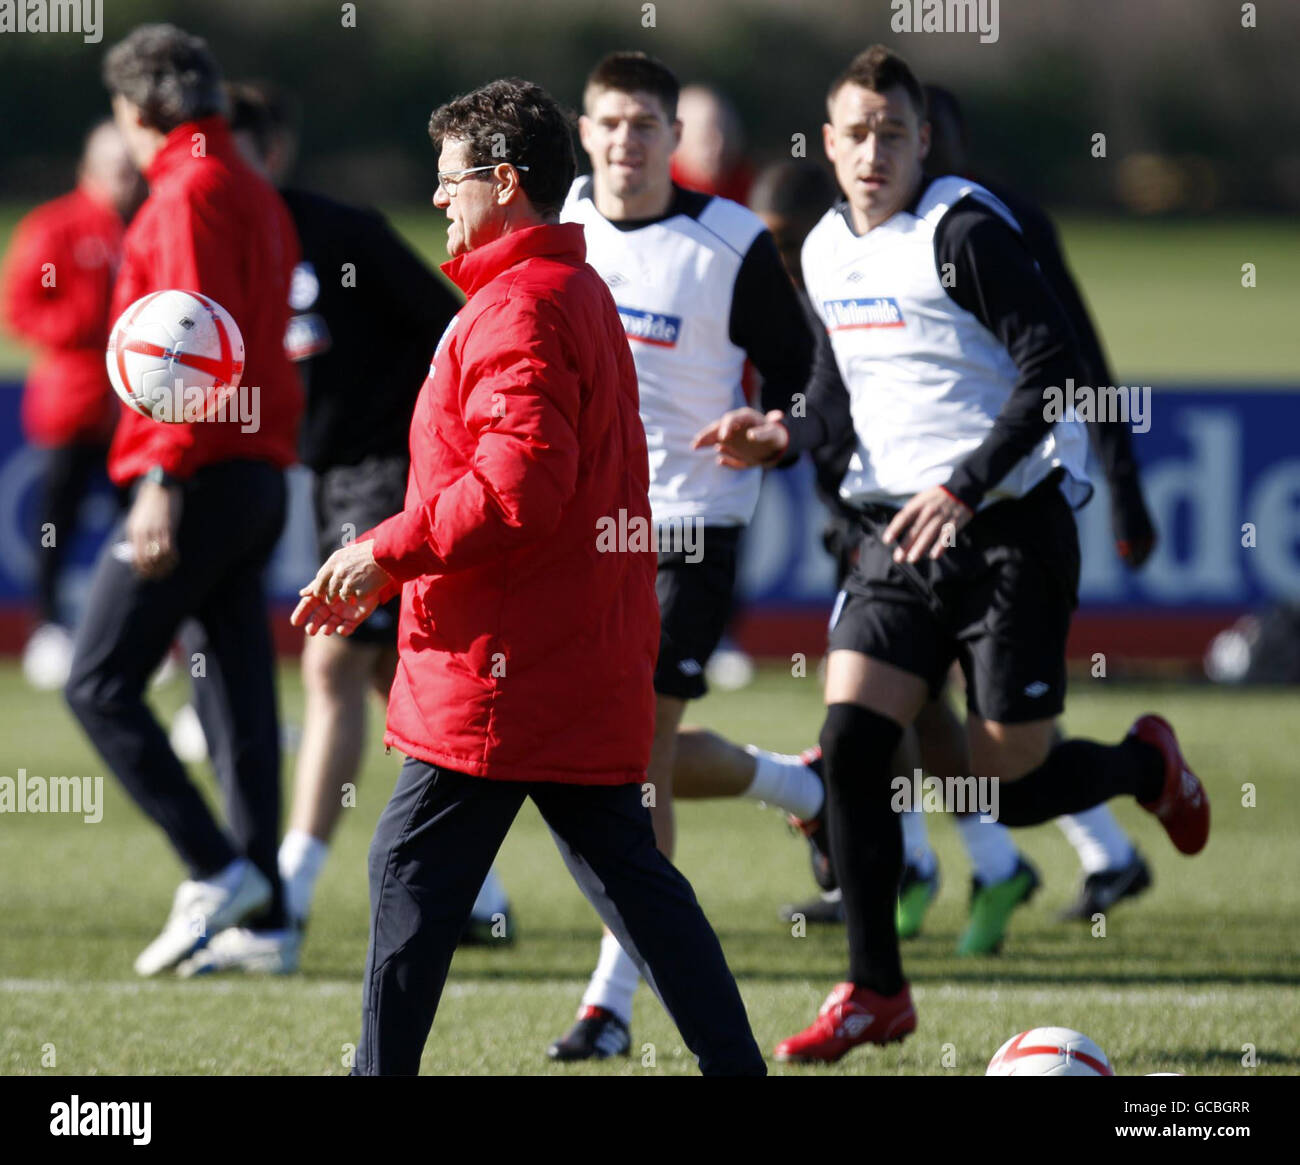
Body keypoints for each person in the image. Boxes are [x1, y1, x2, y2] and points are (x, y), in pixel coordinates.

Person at [695, 45, 1209, 1064]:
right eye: (857, 134)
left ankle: (1142, 764)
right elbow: (837, 392)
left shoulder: (962, 233)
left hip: (1008, 532)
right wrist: (784, 433)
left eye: (895, 133)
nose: (875, 151)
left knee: (1002, 787)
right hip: (896, 537)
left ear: (922, 139)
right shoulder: (827, 248)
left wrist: (964, 483)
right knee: (849, 744)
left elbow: (1053, 366)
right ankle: (875, 990)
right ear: (829, 145)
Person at [292, 76, 765, 1077]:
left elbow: (518, 492)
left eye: (449, 181)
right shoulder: (568, 289)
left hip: (507, 669)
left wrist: (384, 548)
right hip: (565, 653)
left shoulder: (526, 307)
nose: (437, 200)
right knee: (633, 880)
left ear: (502, 183)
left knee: (409, 870)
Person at [163, 84, 513, 974]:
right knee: (415, 675)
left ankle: (284, 901)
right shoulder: (214, 244)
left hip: (388, 469)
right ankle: (481, 887)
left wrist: (440, 447)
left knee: (330, 660)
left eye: (233, 153)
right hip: (324, 479)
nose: (215, 174)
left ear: (272, 154)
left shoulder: (341, 232)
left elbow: (452, 324)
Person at [548, 51, 823, 1061]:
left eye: (645, 125)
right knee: (611, 755)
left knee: (632, 756)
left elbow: (806, 379)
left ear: (676, 137)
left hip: (687, 526)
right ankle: (805, 790)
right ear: (585, 131)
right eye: (609, 122)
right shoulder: (551, 229)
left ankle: (610, 997)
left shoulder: (730, 241)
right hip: (574, 532)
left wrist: (774, 430)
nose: (626, 142)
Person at [63, 23, 303, 978]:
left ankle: (216, 870)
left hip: (196, 470)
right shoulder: (245, 181)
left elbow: (184, 343)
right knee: (237, 697)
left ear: (141, 110)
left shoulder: (188, 189)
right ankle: (268, 919)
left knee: (96, 681)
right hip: (253, 470)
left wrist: (161, 471)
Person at [1, 121, 140, 690]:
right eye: (115, 169)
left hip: (136, 409)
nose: (126, 182)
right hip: (73, 405)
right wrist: (86, 326)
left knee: (141, 526)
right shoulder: (56, 226)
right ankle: (49, 629)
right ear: (89, 169)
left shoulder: (150, 223)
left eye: (133, 169)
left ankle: (140, 637)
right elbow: (20, 306)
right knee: (55, 522)